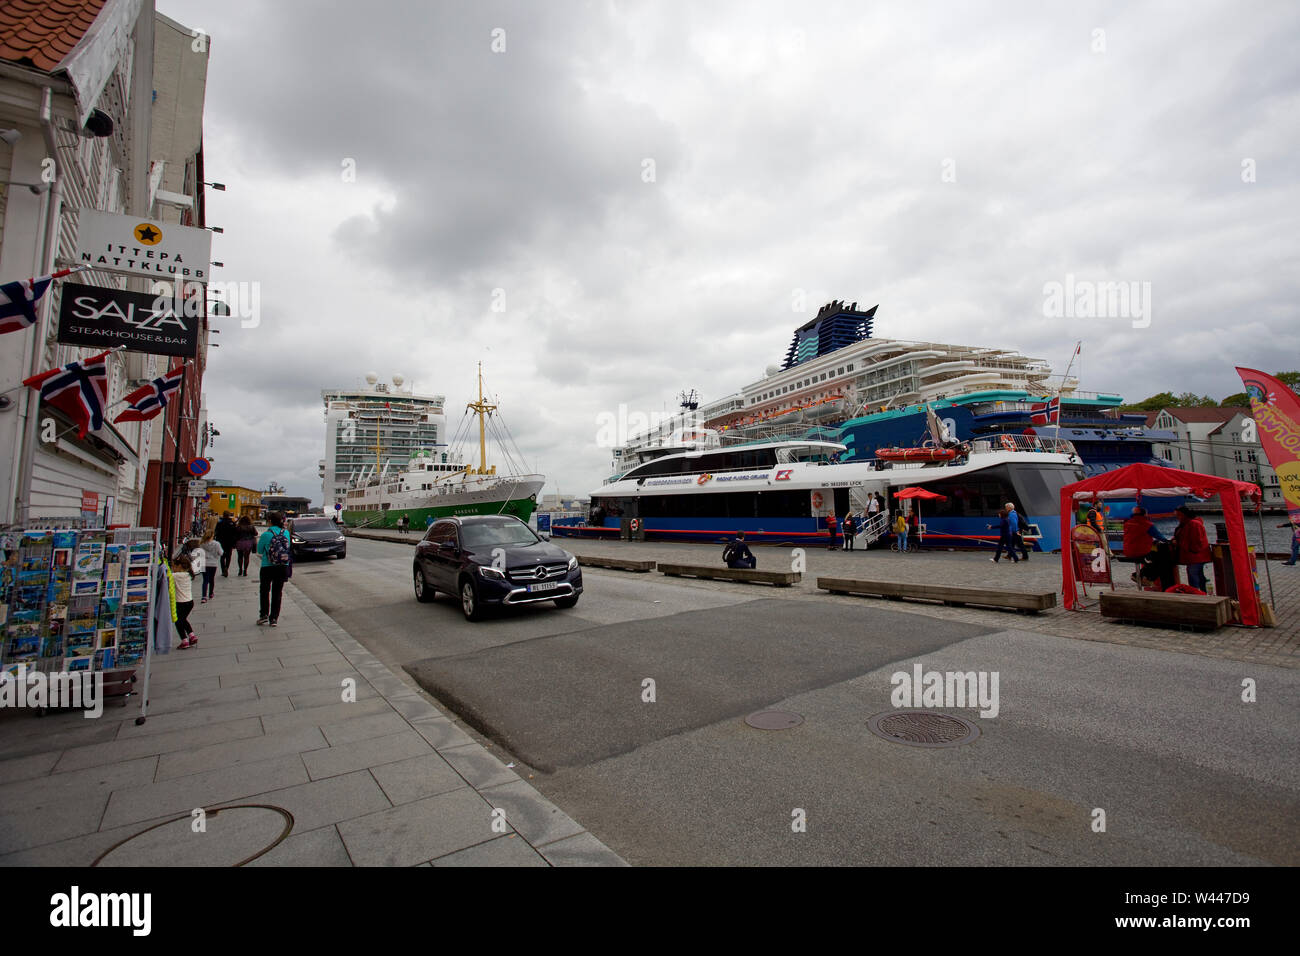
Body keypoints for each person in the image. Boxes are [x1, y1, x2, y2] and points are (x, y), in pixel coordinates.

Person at [257, 511, 292, 627]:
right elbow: (288, 548)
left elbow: (259, 550)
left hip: (267, 566)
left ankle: (264, 615)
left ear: (270, 521)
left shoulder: (266, 534)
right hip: (282, 566)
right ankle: (274, 619)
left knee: (264, 591)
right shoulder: (286, 533)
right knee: (277, 592)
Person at [1173, 505, 1211, 591]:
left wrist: (1179, 543)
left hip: (1195, 555)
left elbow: (1196, 541)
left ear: (1184, 515)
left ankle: (1196, 593)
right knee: (1198, 575)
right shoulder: (1188, 523)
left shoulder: (1193, 524)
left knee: (1193, 575)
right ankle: (1202, 593)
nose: (1178, 518)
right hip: (1195, 555)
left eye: (1178, 515)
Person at [172, 547, 197, 648]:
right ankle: (191, 636)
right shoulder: (188, 574)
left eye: (174, 566)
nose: (172, 568)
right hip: (189, 602)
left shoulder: (176, 576)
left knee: (178, 621)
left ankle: (184, 640)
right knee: (183, 619)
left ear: (179, 566)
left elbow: (167, 576)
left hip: (180, 603)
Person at [200, 532, 223, 603]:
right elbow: (221, 553)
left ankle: (204, 596)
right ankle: (211, 593)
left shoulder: (201, 544)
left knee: (205, 580)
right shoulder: (217, 544)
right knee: (211, 579)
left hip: (204, 564)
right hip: (213, 564)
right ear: (212, 536)